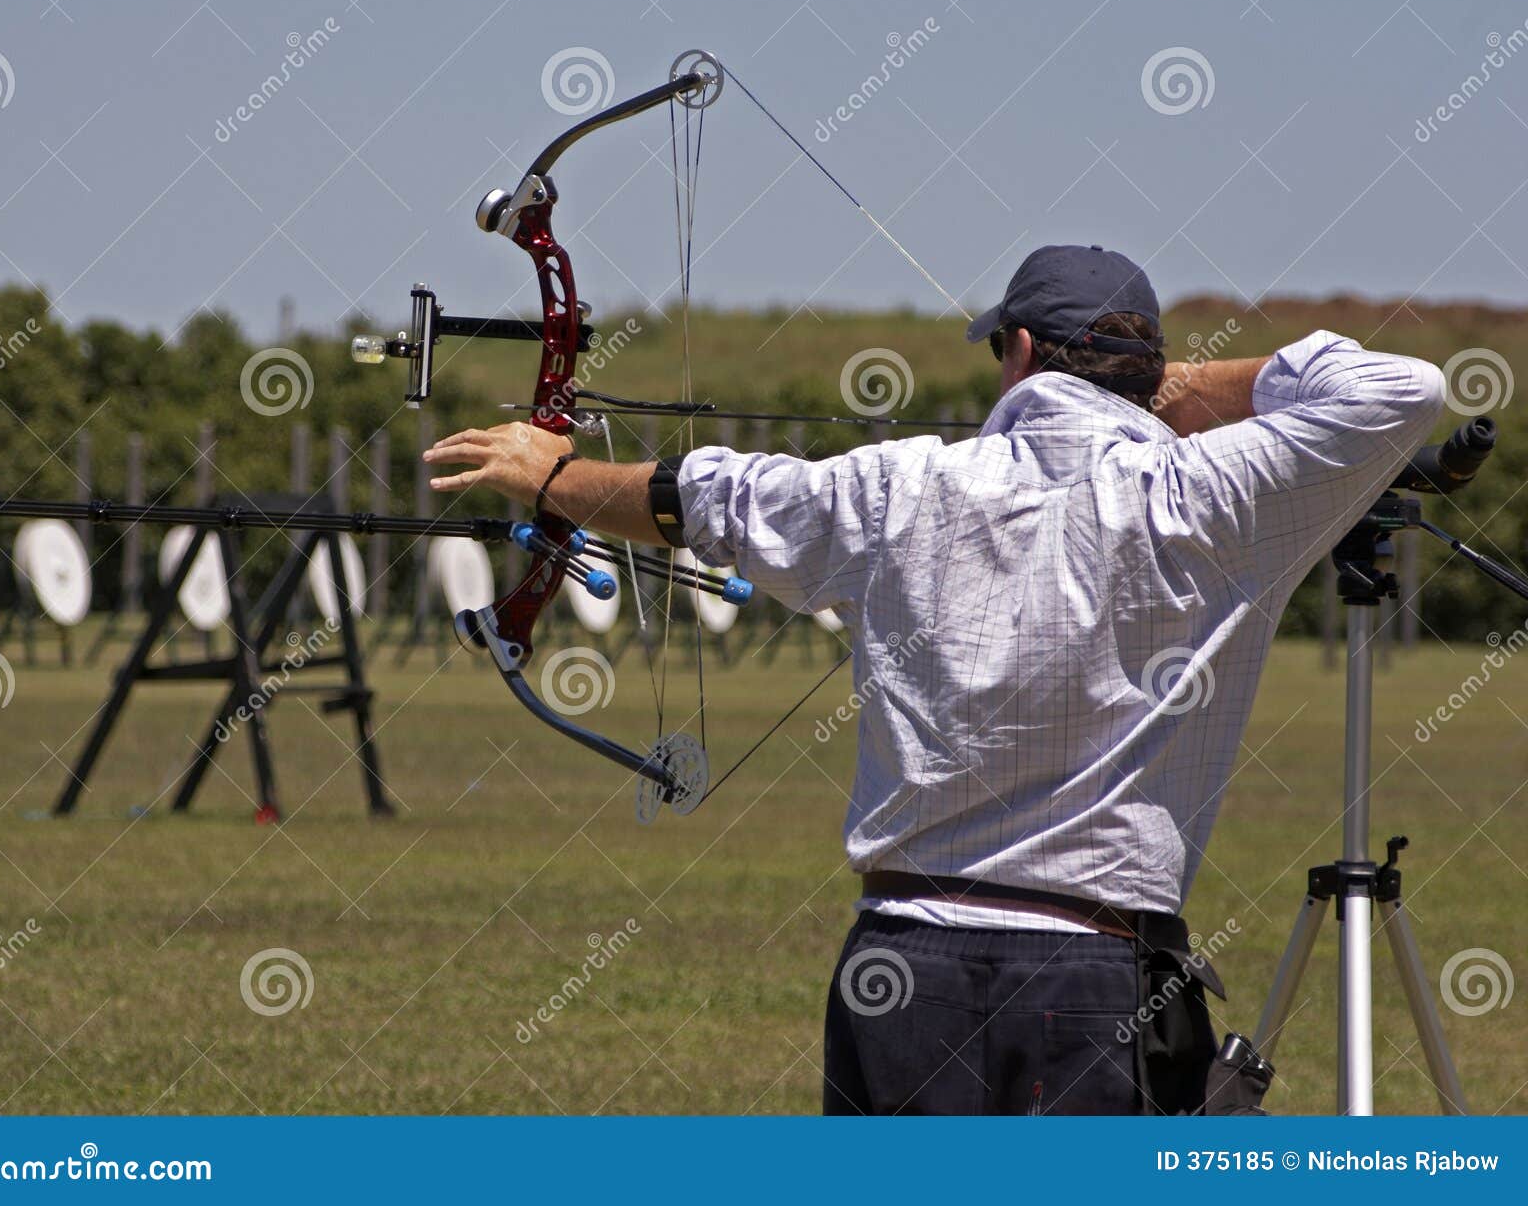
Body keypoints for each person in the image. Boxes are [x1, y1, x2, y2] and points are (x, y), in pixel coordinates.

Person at [424, 244, 1447, 1115]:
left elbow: (701, 497)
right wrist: (1159, 383)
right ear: (1138, 367)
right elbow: (1402, 387)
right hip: (1100, 978)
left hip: (901, 969)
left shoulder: (899, 484)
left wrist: (548, 474)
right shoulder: (1211, 495)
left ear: (1020, 353)